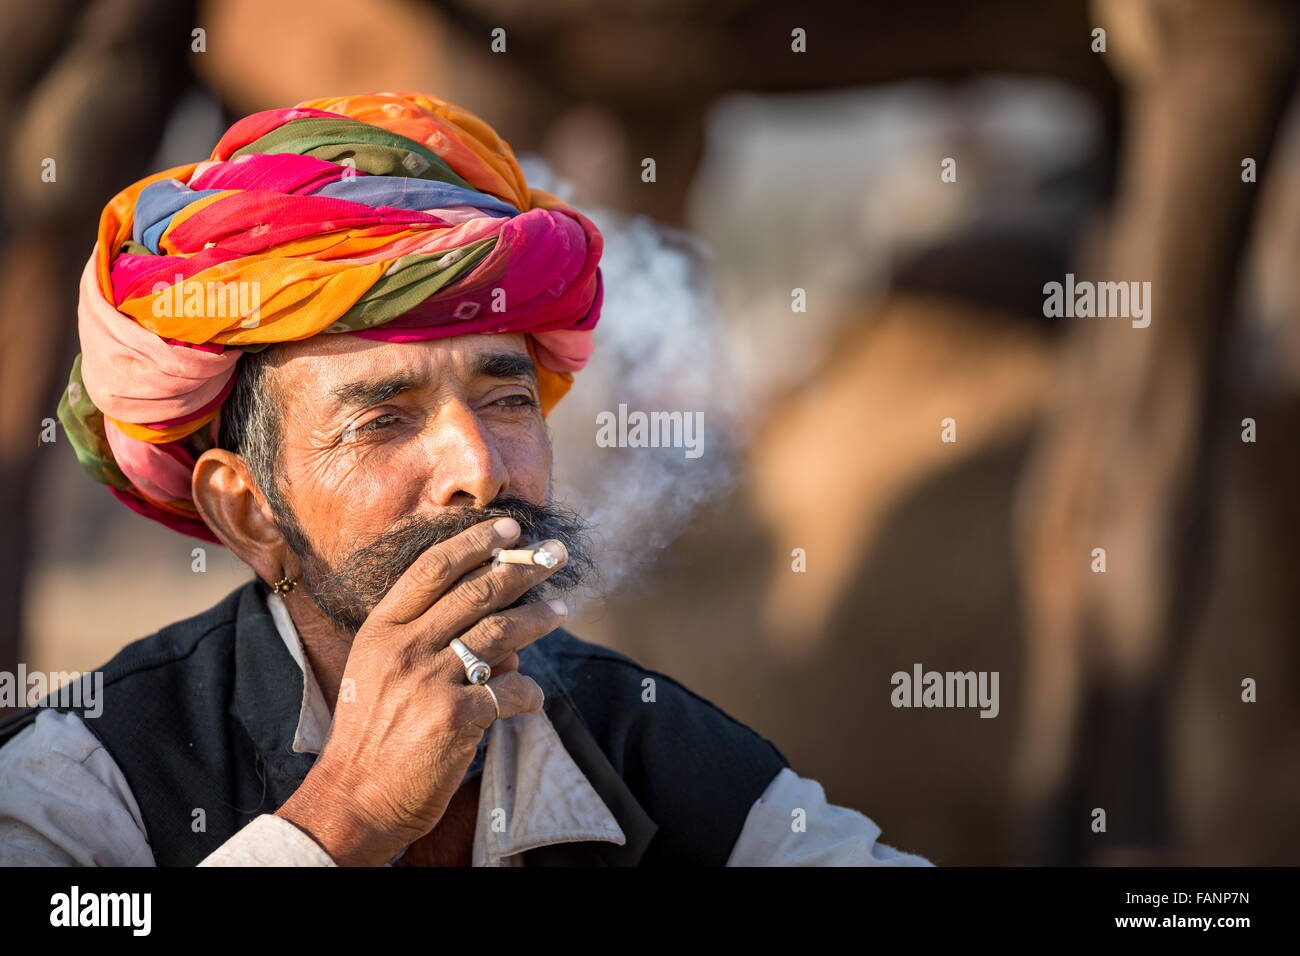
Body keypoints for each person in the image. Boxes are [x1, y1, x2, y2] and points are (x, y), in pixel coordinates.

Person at [0, 91, 932, 867]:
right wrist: (348, 814)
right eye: (383, 419)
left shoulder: (651, 746)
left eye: (509, 402)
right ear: (247, 509)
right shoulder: (87, 781)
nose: (480, 471)